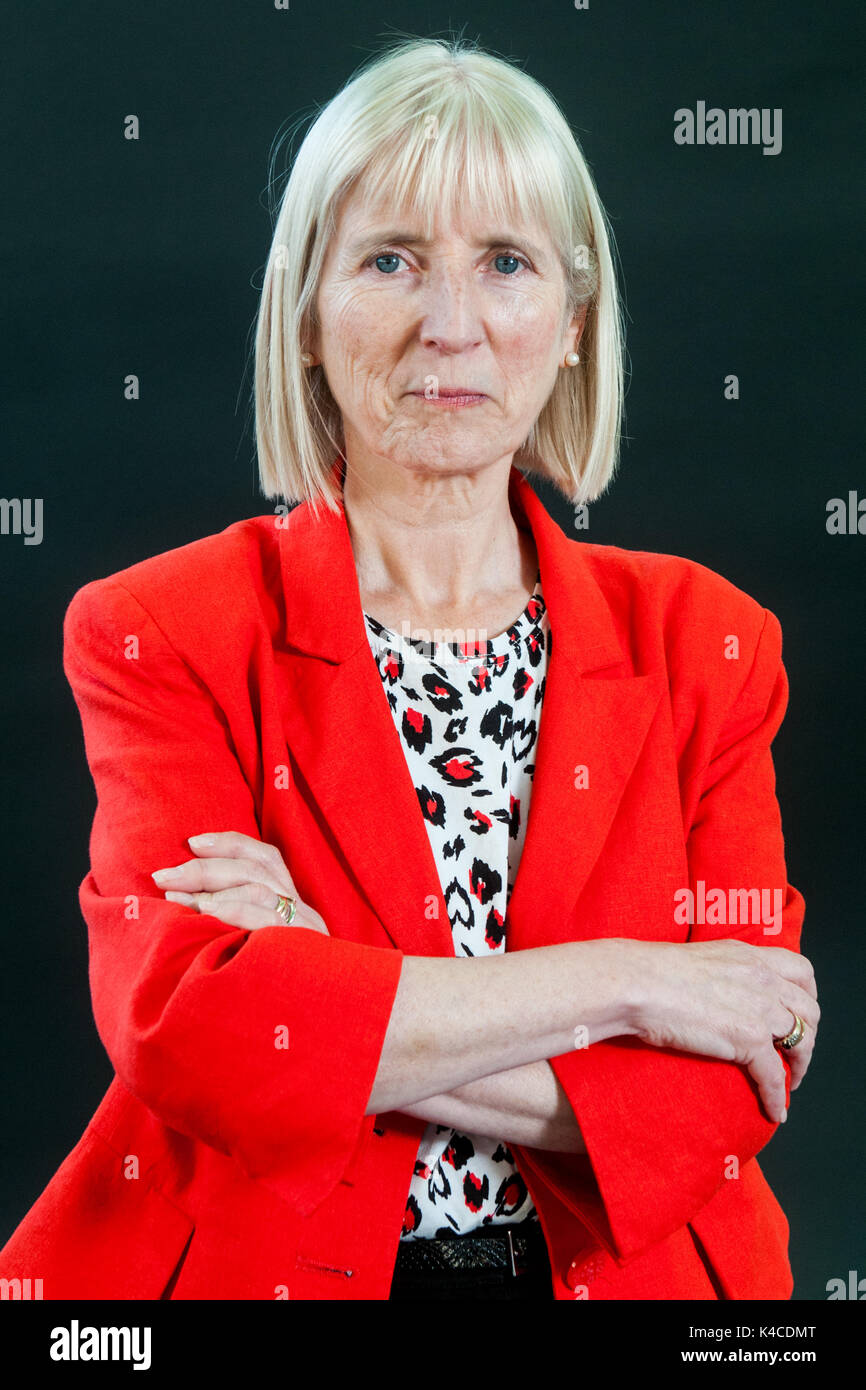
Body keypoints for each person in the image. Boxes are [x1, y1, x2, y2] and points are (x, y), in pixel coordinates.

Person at [0, 36, 817, 1302]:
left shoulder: (710, 640)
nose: (450, 324)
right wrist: (637, 981)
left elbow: (726, 1081)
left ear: (569, 325)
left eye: (504, 262)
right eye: (390, 261)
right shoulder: (158, 626)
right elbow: (198, 1039)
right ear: (310, 317)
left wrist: (321, 983)